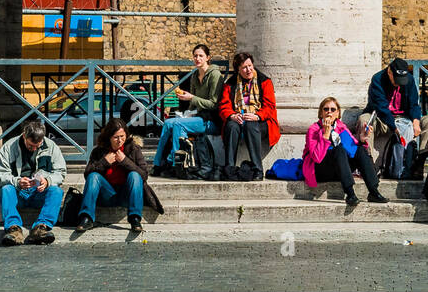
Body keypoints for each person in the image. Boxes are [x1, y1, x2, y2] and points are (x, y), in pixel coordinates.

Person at [76, 118, 162, 234]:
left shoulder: (133, 149)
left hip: (127, 194)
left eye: (122, 136)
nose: (120, 140)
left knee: (135, 175)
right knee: (94, 176)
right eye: (116, 137)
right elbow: (87, 174)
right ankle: (86, 218)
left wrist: (125, 161)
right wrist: (104, 162)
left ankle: (135, 218)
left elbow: (144, 175)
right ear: (109, 137)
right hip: (106, 194)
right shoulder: (99, 151)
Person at [151, 43, 223, 175]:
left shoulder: (215, 75)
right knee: (168, 123)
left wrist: (191, 98)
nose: (198, 59)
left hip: (211, 120)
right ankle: (157, 163)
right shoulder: (195, 75)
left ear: (208, 57)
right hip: (198, 118)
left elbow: (214, 104)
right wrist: (187, 112)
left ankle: (176, 163)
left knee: (178, 124)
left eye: (201, 56)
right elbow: (192, 104)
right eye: (195, 56)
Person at [302, 97, 388, 206]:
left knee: (360, 150)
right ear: (321, 113)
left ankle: (373, 191)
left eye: (333, 110)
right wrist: (325, 135)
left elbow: (354, 149)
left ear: (338, 114)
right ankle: (350, 193)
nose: (329, 112)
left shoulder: (341, 127)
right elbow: (317, 158)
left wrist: (362, 139)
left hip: (339, 169)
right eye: (326, 109)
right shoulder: (313, 130)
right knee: (339, 149)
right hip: (320, 170)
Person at [0, 120, 67, 246]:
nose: (33, 149)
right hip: (18, 192)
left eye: (37, 146)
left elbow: (61, 172)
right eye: (30, 145)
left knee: (56, 191)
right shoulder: (9, 147)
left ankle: (41, 227)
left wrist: (48, 181)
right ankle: (13, 229)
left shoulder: (51, 146)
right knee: (6, 189)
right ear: (24, 136)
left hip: (39, 192)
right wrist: (17, 181)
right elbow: (0, 174)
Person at [359, 58, 424, 179]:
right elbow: (382, 108)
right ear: (389, 72)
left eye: (402, 81)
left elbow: (414, 103)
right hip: (382, 117)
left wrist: (416, 121)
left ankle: (419, 162)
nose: (399, 83)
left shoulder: (409, 79)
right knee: (364, 120)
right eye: (396, 80)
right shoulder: (377, 79)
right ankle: (369, 164)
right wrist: (395, 128)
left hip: (404, 117)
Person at [218, 52, 280, 171]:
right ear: (238, 70)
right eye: (244, 67)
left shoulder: (264, 81)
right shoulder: (230, 84)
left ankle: (257, 168)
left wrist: (257, 116)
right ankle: (229, 167)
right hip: (238, 118)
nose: (248, 70)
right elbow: (224, 106)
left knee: (251, 126)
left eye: (250, 66)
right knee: (231, 126)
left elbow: (270, 107)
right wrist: (232, 115)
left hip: (260, 120)